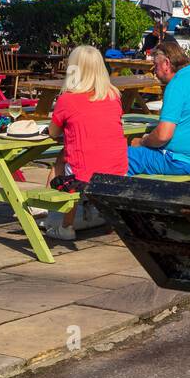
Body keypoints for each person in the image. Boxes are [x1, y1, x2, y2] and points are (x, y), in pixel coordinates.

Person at [46, 46, 128, 240]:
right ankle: (106, 219)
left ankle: (64, 224)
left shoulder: (68, 99)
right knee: (66, 157)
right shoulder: (113, 95)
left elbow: (52, 132)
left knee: (65, 161)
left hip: (83, 174)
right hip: (118, 169)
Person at [126, 36, 190, 176]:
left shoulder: (176, 85)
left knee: (120, 157)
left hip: (181, 161)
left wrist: (142, 142)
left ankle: (113, 196)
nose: (154, 69)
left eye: (156, 64)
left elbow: (162, 136)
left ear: (166, 64)